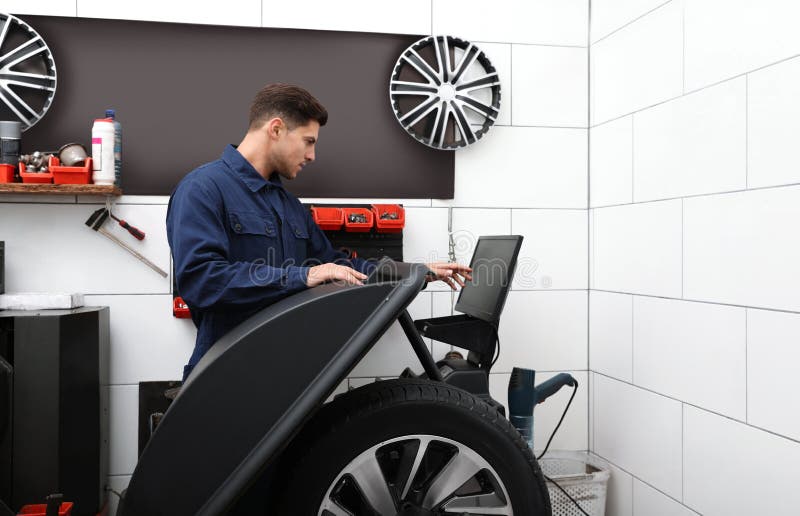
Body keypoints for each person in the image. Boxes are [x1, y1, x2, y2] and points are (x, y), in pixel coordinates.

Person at [167, 83, 471, 380]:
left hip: (287, 374)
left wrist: (417, 271)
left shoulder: (288, 205)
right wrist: (303, 275)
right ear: (276, 130)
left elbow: (339, 266)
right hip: (226, 376)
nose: (312, 155)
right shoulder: (203, 189)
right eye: (308, 141)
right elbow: (202, 280)